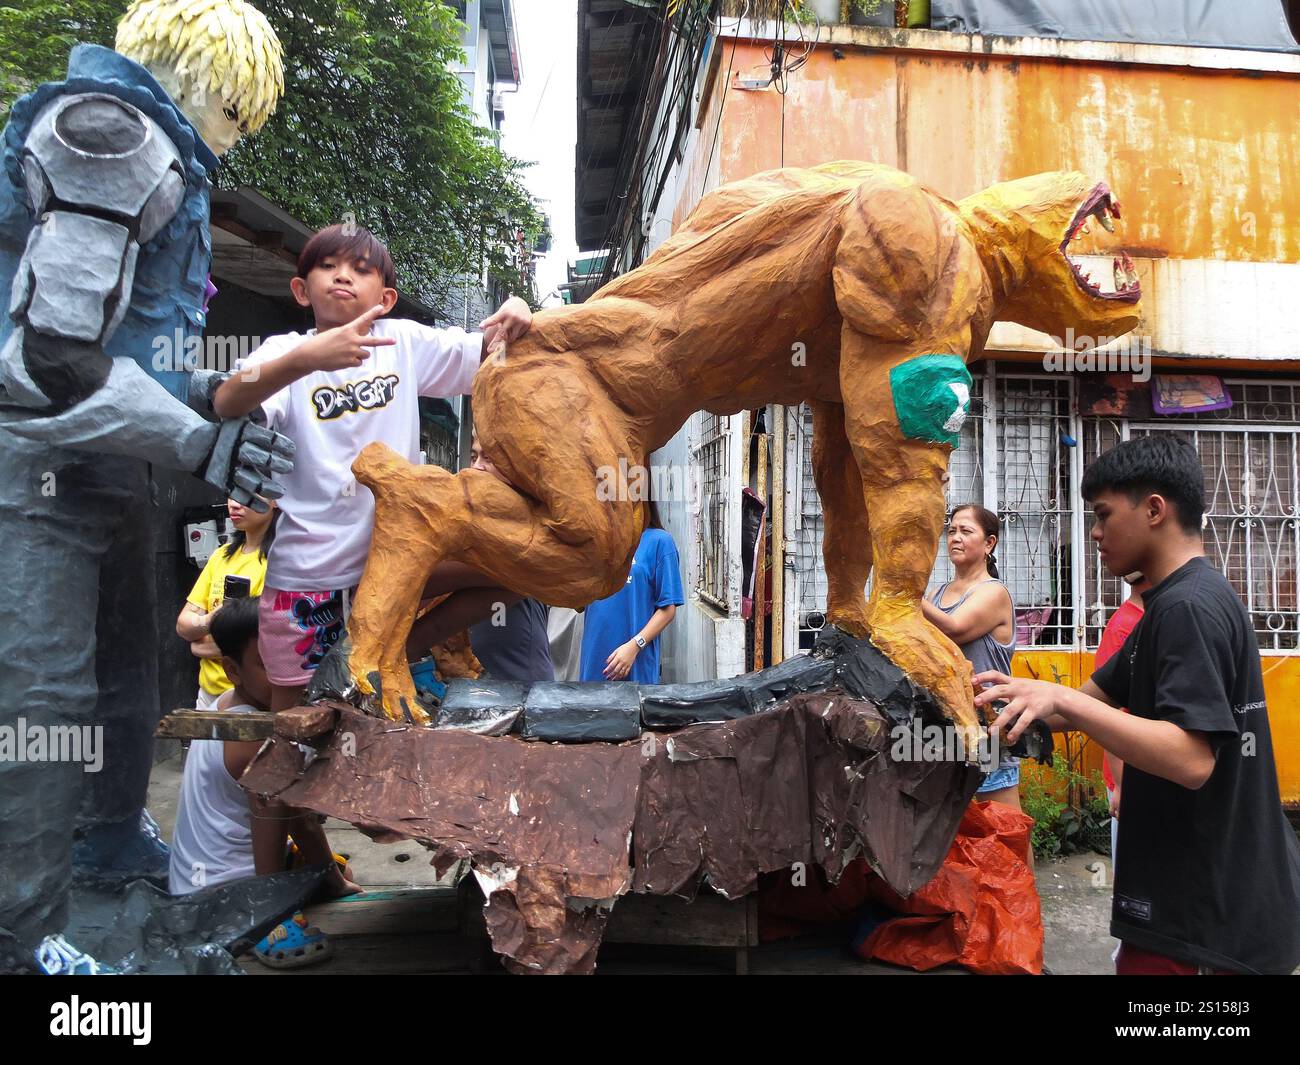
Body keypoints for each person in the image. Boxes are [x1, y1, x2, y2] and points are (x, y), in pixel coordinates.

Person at [975, 435, 1300, 975]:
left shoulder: (1187, 609)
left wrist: (1059, 699)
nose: (1095, 533)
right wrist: (999, 706)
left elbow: (1191, 759)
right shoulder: (1173, 604)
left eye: (1103, 515)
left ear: (1154, 510)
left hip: (1200, 921)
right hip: (1198, 906)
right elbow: (1084, 703)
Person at [214, 224, 532, 710]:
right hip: (310, 576)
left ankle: (401, 646)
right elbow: (227, 399)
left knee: (519, 566)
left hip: (399, 561)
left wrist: (519, 310)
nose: (343, 276)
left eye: (361, 270)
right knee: (298, 725)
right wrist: (307, 359)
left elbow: (497, 350)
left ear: (384, 298)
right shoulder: (283, 353)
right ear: (301, 289)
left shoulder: (402, 342)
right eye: (328, 266)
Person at [168, 596, 357, 968]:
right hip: (223, 893)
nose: (290, 675)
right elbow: (288, 816)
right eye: (268, 664)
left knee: (336, 870)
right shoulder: (256, 737)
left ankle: (304, 884)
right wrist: (283, 903)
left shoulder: (226, 705)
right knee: (324, 869)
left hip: (192, 880)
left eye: (298, 659)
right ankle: (265, 919)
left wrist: (334, 877)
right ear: (232, 669)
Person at [922, 504, 1021, 809]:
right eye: (951, 530)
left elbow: (954, 629)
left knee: (1004, 834)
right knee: (951, 834)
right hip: (942, 726)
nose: (955, 537)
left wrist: (905, 593)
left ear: (989, 543)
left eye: (966, 531)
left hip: (985, 726)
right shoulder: (936, 594)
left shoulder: (993, 593)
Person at [463, 430, 554, 683]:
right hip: (475, 684)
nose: (477, 467)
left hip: (522, 685)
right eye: (474, 456)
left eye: (489, 459)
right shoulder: (473, 519)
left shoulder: (529, 522)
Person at [176, 498, 278, 708]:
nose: (234, 504)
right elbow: (183, 626)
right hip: (206, 693)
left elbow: (264, 644)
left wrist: (199, 641)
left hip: (252, 696)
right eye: (232, 493)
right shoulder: (221, 555)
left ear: (275, 500)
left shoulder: (281, 562)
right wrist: (208, 621)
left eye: (246, 494)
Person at [580, 503, 684, 683]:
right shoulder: (596, 539)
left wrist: (635, 646)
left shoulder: (659, 541)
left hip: (636, 664)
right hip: (595, 662)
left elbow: (668, 610)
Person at [1096, 570, 1151, 857]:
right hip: (1130, 773)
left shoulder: (1161, 616)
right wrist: (1120, 782)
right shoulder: (1124, 625)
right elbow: (1108, 710)